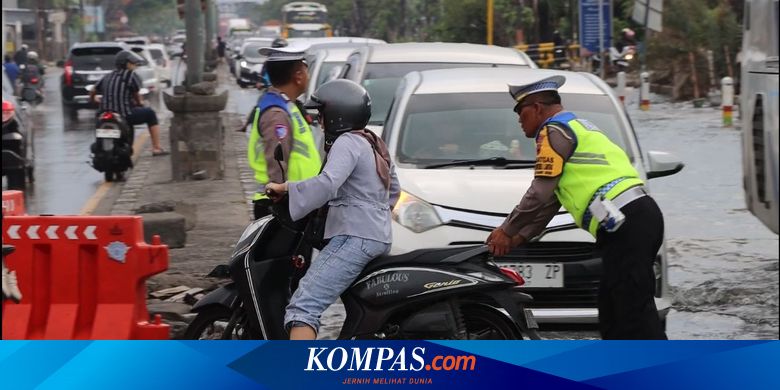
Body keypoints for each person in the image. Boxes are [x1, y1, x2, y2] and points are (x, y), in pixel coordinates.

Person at [485, 75, 668, 340]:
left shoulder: (551, 131)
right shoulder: (577, 127)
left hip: (628, 222)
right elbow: (550, 203)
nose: (518, 119)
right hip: (633, 220)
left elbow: (539, 190)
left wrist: (506, 229)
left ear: (537, 108)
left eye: (520, 110)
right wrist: (519, 238)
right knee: (612, 310)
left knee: (632, 312)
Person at [265, 79, 400, 340]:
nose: (320, 121)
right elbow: (393, 190)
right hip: (377, 235)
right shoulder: (373, 142)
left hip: (354, 236)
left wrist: (287, 189)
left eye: (322, 114)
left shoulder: (346, 143)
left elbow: (328, 183)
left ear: (338, 114)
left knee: (304, 305)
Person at [247, 45, 321, 220]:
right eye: (306, 70)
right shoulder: (276, 114)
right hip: (281, 204)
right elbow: (277, 161)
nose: (308, 76)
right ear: (298, 76)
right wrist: (279, 196)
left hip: (296, 201)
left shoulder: (288, 105)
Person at [90, 50, 167, 155]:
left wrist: (94, 99)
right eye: (132, 63)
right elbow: (136, 95)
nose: (134, 66)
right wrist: (140, 103)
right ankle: (156, 148)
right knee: (150, 114)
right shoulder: (130, 75)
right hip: (124, 114)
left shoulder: (108, 76)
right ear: (126, 64)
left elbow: (93, 90)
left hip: (103, 114)